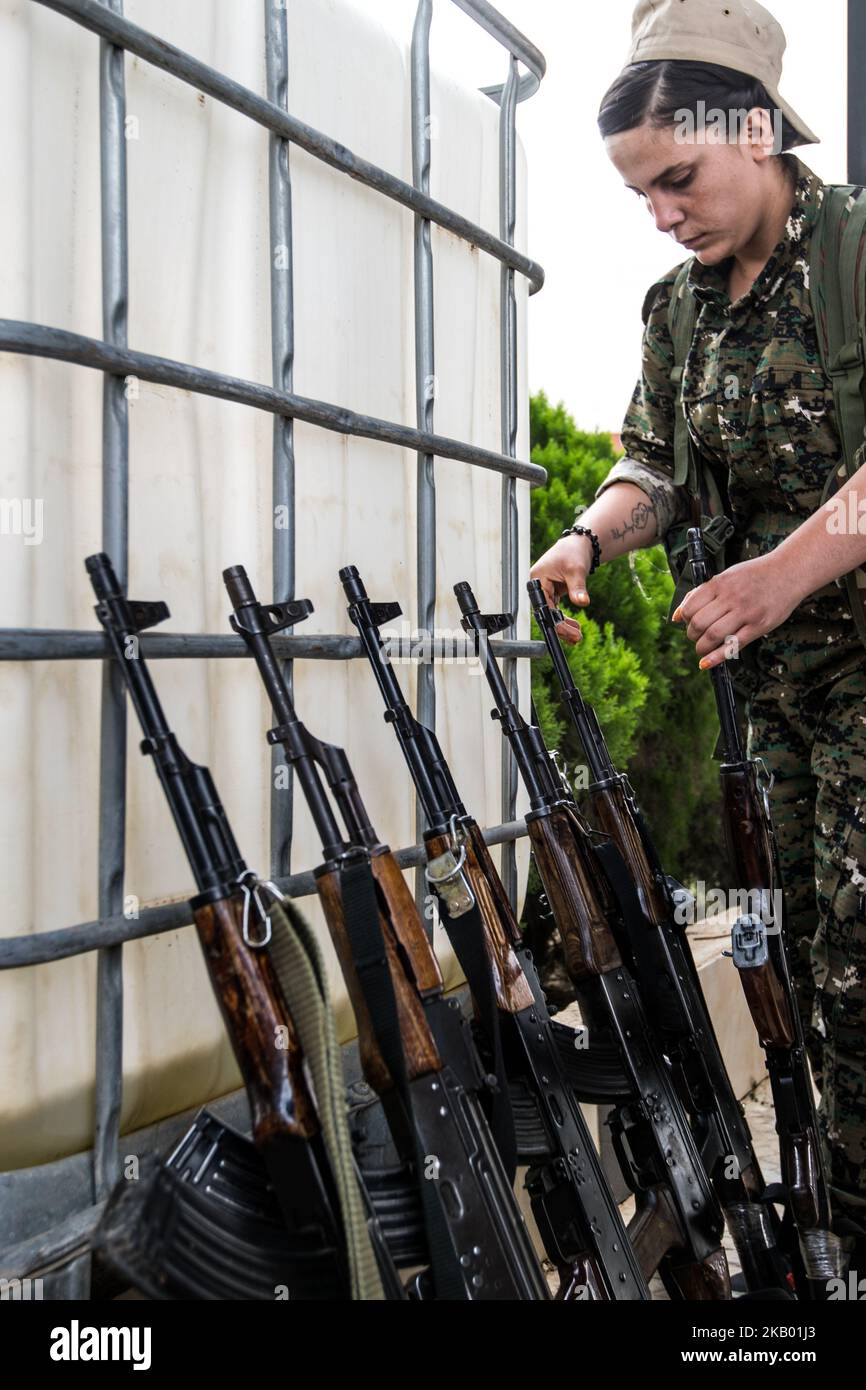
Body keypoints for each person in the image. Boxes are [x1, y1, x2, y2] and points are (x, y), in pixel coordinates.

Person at [530, 0, 866, 1254]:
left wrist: (780, 574)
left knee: (859, 963)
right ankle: (827, 1231)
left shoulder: (855, 252)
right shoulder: (676, 311)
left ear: (756, 129)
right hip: (765, 704)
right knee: (786, 958)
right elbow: (653, 464)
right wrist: (586, 535)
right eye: (641, 198)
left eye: (677, 180)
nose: (664, 215)